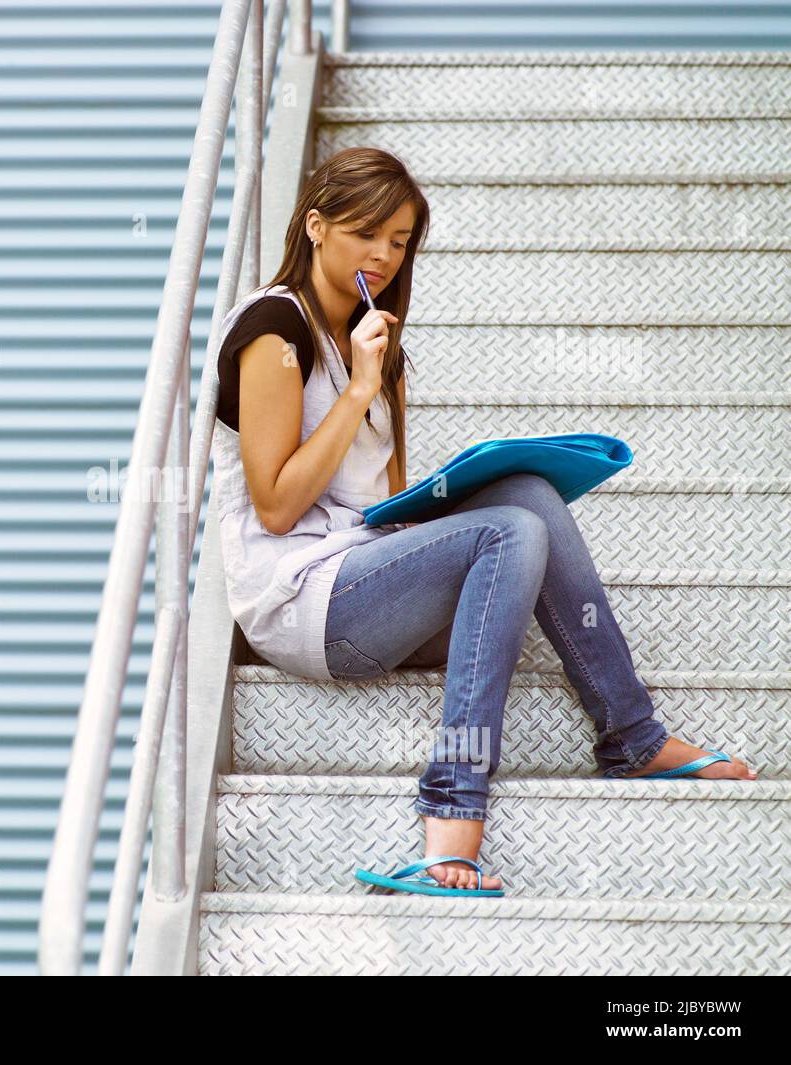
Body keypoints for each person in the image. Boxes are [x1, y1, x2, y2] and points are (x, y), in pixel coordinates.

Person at [210, 146, 757, 894]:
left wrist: (438, 488)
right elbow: (275, 504)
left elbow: (382, 515)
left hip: (368, 584)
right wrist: (355, 387)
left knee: (528, 493)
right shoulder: (275, 331)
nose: (384, 254)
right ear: (314, 224)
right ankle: (451, 814)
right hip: (300, 599)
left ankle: (633, 736)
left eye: (401, 241)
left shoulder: (384, 351)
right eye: (368, 232)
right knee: (509, 530)